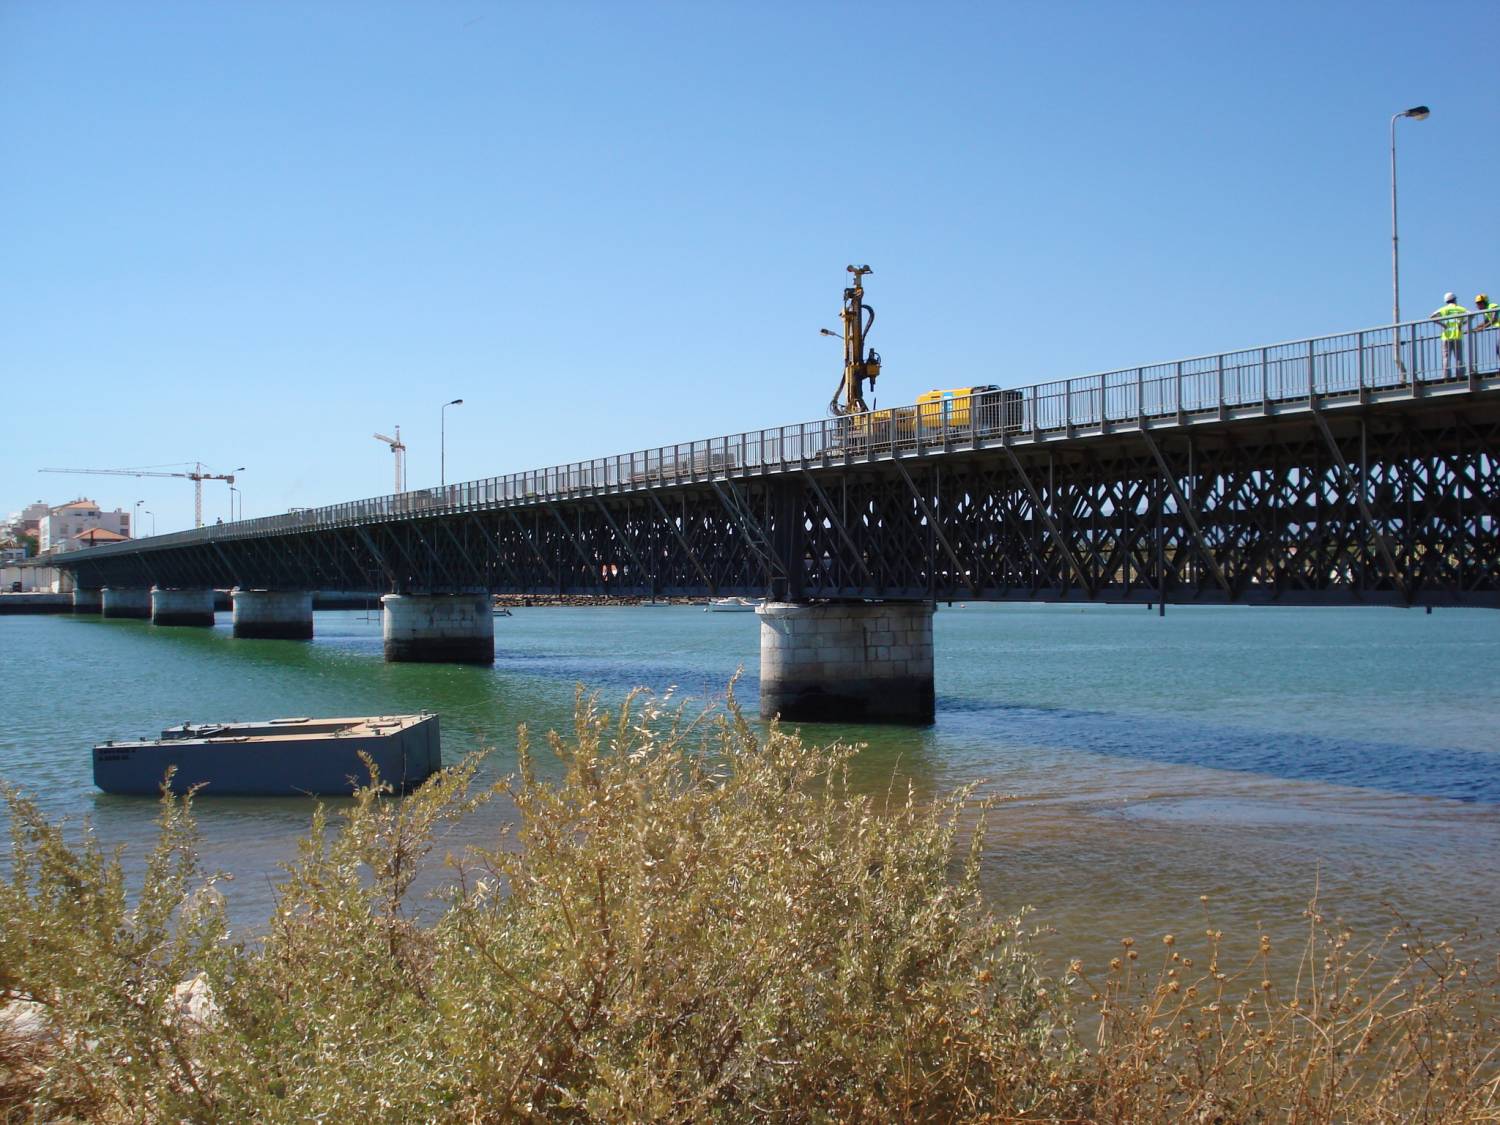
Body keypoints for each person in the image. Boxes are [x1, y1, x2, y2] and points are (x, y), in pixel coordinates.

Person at [1429, 292, 1468, 379]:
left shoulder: (1444, 310)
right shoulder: (1460, 309)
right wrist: (1462, 323)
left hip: (1446, 337)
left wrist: (1443, 325)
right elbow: (1471, 315)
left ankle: (1446, 375)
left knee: (1446, 357)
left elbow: (1432, 317)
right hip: (1457, 336)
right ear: (1454, 300)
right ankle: (1460, 374)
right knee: (1459, 357)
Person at [1475, 294, 1499, 373]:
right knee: (1498, 349)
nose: (1478, 305)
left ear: (1485, 302)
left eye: (1480, 303)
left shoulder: (1492, 306)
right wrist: (1476, 328)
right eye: (1477, 303)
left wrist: (1482, 328)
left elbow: (1494, 319)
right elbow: (1487, 321)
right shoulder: (1487, 310)